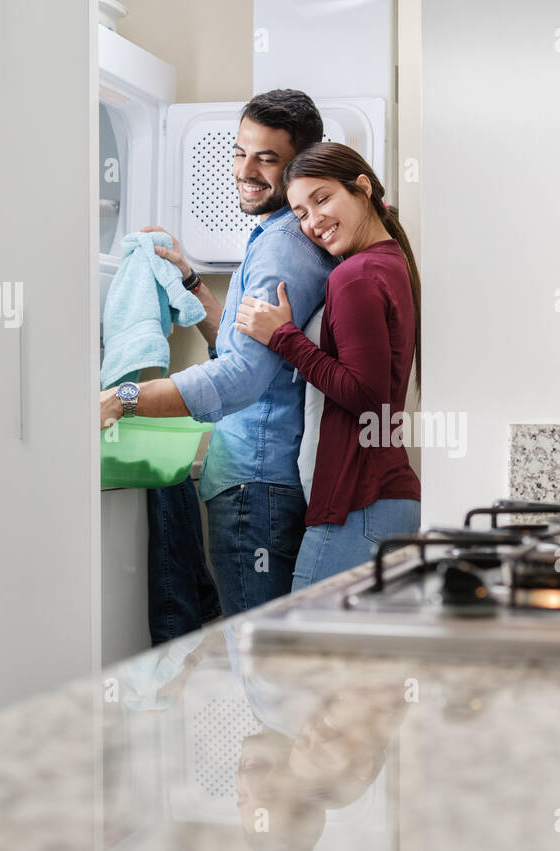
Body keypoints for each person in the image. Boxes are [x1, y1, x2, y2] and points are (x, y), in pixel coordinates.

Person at [100, 90, 336, 616]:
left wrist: (124, 398)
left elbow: (241, 378)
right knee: (260, 660)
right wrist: (188, 280)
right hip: (261, 484)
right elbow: (249, 350)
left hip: (257, 486)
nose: (245, 170)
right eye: (239, 151)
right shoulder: (281, 237)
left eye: (266, 159)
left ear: (300, 164)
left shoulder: (281, 248)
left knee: (254, 661)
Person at [233, 143, 421, 588]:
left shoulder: (353, 276)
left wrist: (284, 338)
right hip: (383, 499)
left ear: (362, 189)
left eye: (322, 199)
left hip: (359, 502)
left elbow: (367, 397)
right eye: (300, 213)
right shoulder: (390, 263)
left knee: (301, 649)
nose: (313, 222)